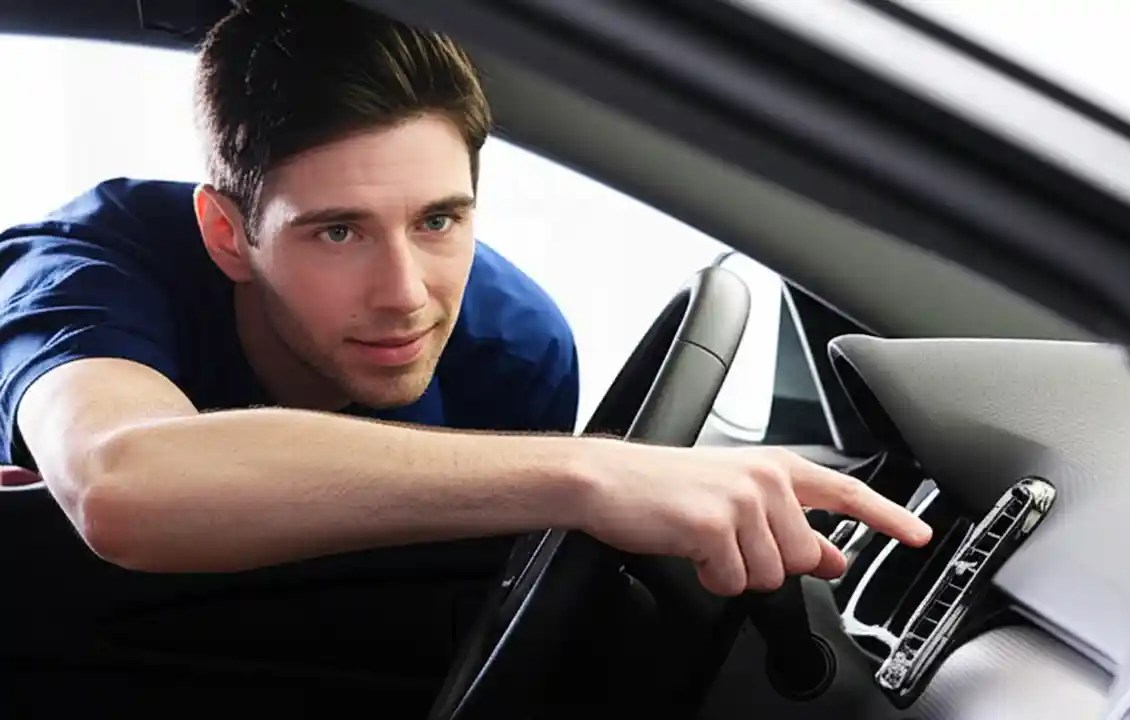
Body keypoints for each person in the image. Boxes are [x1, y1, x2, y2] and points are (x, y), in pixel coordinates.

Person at [0, 0, 930, 607]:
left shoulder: (514, 348)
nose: (407, 296)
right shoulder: (90, 265)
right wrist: (587, 473)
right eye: (337, 231)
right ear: (225, 234)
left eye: (439, 219)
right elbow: (123, 485)